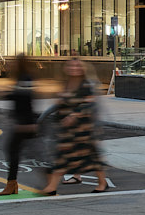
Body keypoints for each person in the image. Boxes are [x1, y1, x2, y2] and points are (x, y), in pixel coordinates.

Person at [41, 58, 108, 195]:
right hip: (67, 130)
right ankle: (52, 187)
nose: (74, 68)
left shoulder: (86, 85)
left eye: (77, 66)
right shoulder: (67, 84)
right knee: (62, 156)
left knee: (92, 157)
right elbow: (61, 103)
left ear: (82, 69)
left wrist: (74, 115)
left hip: (83, 129)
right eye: (71, 66)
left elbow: (90, 104)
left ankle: (102, 183)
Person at [0, 54, 38, 196]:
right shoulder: (22, 77)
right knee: (19, 152)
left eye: (14, 62)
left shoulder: (25, 78)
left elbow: (26, 100)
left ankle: (12, 184)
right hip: (22, 122)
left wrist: (27, 123)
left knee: (18, 152)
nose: (12, 65)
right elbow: (20, 97)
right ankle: (12, 184)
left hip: (24, 123)